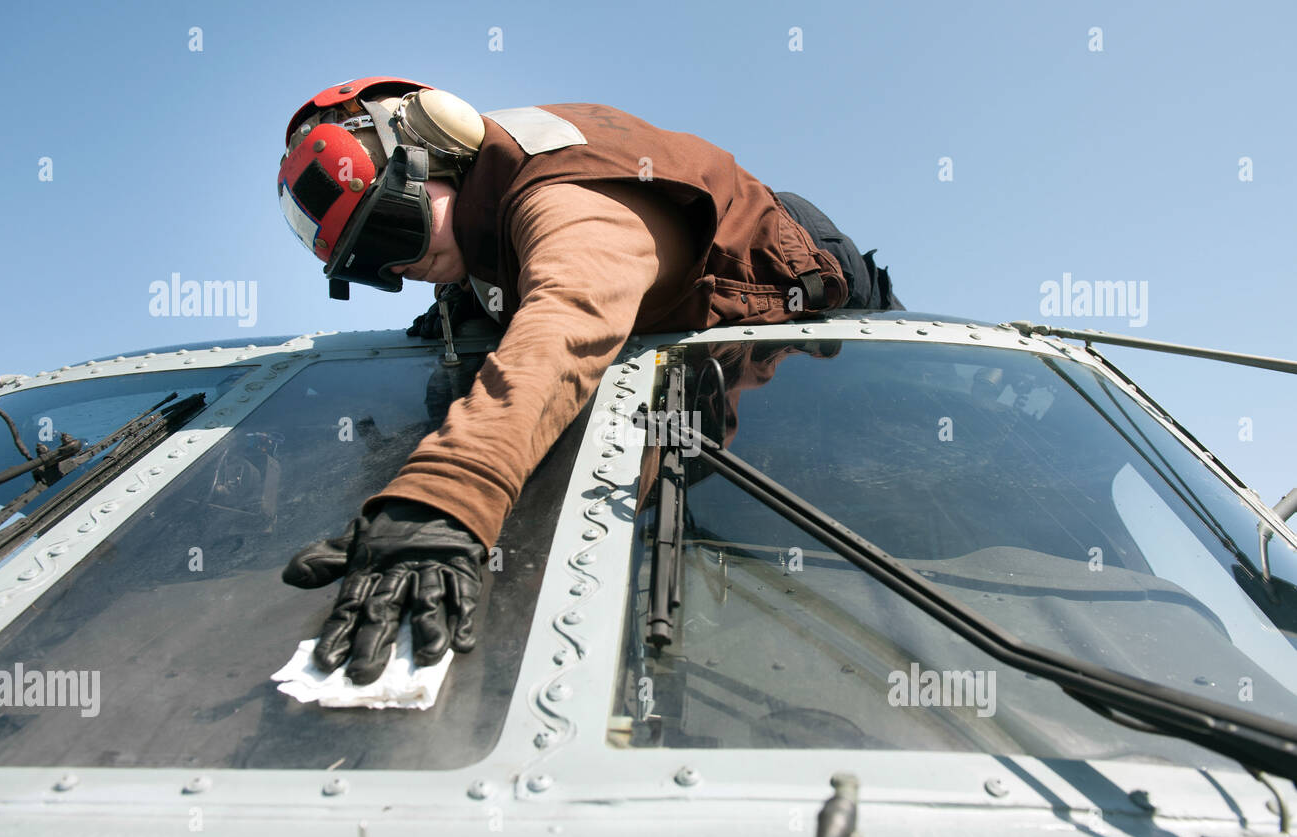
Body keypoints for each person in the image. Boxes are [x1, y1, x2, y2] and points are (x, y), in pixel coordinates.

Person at [276, 77, 900, 685]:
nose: (401, 264)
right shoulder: (475, 222)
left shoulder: (565, 194)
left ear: (436, 144)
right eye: (371, 264)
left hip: (812, 304)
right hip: (702, 348)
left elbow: (570, 316)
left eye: (392, 227)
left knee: (906, 480)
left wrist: (443, 498)